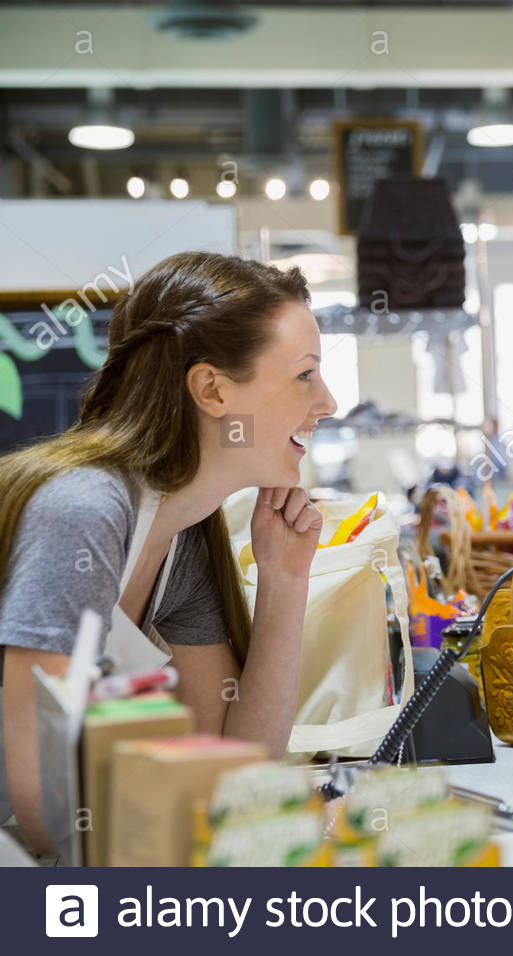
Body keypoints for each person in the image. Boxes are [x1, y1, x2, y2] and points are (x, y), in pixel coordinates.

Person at [0, 251, 338, 856]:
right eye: (305, 375)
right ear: (211, 389)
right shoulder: (84, 510)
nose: (328, 402)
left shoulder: (184, 530)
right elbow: (47, 815)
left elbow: (236, 771)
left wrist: (285, 582)